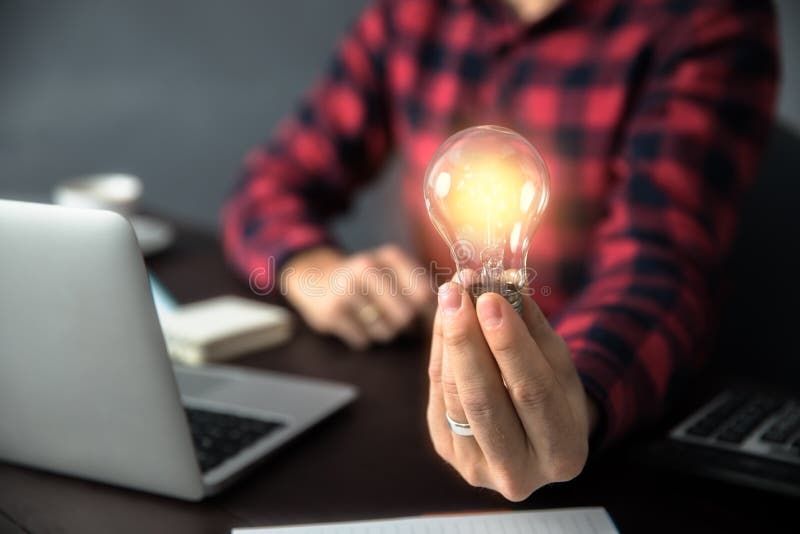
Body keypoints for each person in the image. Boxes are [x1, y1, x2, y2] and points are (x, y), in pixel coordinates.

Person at [222, 0, 778, 500]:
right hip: (425, 399)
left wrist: (566, 395)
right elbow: (269, 185)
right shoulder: (412, 12)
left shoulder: (702, 17)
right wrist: (314, 272)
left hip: (616, 441)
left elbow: (660, 263)